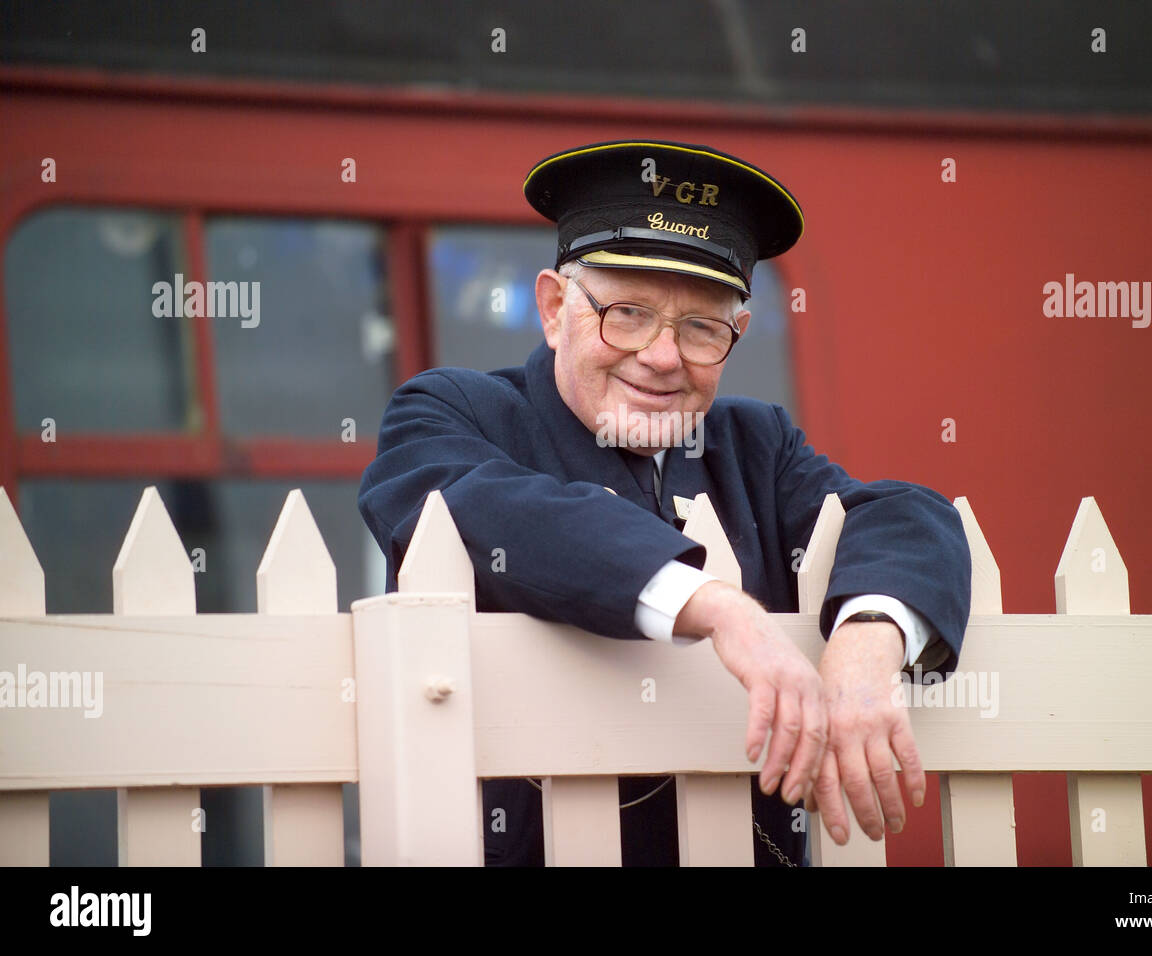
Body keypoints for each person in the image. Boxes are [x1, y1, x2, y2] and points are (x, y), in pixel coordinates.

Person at [358, 139, 972, 866]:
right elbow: (488, 508)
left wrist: (869, 639)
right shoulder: (452, 413)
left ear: (735, 336)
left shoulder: (755, 445)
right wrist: (721, 609)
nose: (661, 356)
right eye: (628, 313)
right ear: (555, 310)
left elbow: (907, 514)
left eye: (701, 328)